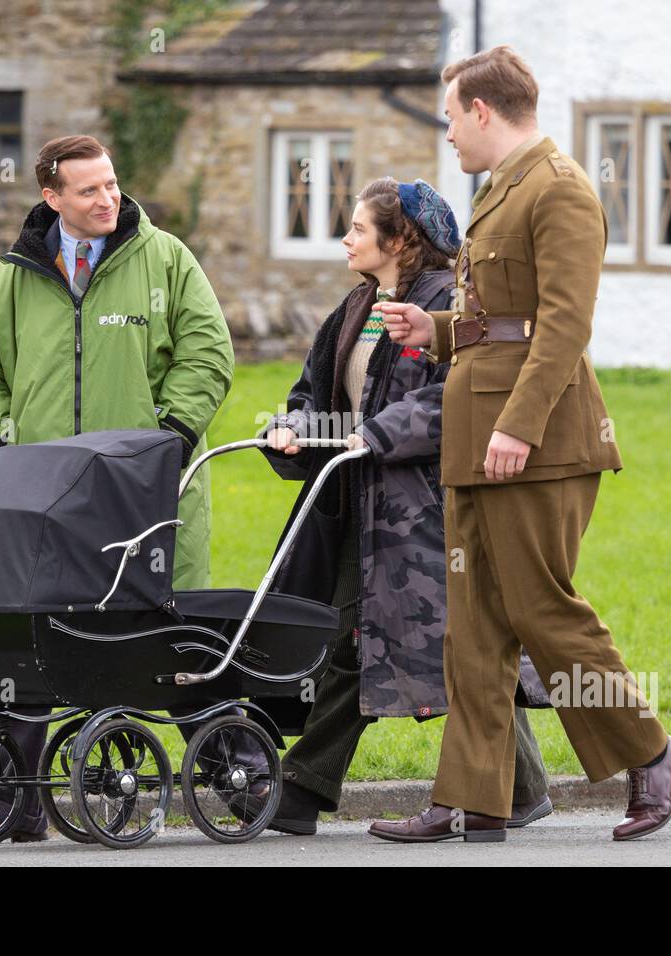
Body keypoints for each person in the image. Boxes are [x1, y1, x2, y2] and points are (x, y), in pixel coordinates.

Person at [373, 45, 671, 844]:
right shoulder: (500, 190)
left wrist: (518, 424)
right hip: (479, 434)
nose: (447, 133)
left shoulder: (560, 190)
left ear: (483, 110)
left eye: (451, 117)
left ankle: (652, 751)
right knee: (474, 623)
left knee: (540, 607)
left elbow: (563, 327)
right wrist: (438, 328)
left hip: (538, 440)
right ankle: (472, 798)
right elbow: (500, 318)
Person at [0, 134, 235, 840]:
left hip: (149, 496)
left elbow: (208, 351)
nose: (107, 198)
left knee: (172, 636)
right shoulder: (6, 282)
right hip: (46, 501)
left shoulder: (166, 260)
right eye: (88, 189)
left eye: (111, 183)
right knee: (35, 636)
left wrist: (169, 438)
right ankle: (11, 800)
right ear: (52, 198)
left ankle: (238, 776)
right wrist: (8, 445)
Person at [257, 176, 554, 836]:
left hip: (428, 514)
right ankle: (523, 786)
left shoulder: (449, 307)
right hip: (354, 508)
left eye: (358, 229)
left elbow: (463, 398)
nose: (346, 239)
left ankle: (301, 791)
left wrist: (381, 432)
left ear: (399, 240)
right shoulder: (357, 307)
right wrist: (294, 427)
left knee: (426, 641)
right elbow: (315, 391)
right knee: (400, 639)